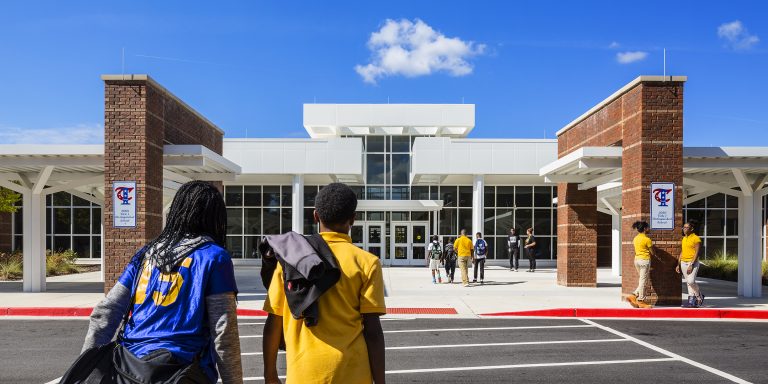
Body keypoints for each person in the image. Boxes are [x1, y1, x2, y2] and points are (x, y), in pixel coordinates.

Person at [81, 181, 242, 383]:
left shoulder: (145, 255)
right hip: (183, 370)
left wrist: (86, 368)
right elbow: (224, 333)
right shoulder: (214, 257)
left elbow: (106, 312)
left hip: (130, 369)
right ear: (215, 218)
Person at [262, 183, 386, 384]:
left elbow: (273, 323)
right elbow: (373, 331)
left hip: (303, 374)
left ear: (315, 216)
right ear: (353, 219)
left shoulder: (291, 260)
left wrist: (270, 375)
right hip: (352, 373)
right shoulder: (367, 262)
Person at [628, 221, 654, 308]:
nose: (649, 229)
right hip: (644, 260)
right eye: (648, 227)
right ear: (645, 229)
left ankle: (633, 295)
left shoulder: (635, 238)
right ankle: (640, 300)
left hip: (637, 260)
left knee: (642, 279)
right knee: (643, 281)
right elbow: (652, 252)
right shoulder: (647, 239)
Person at [678, 220, 704, 308]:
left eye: (686, 228)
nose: (684, 229)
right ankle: (691, 301)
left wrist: (692, 264)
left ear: (691, 229)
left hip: (692, 262)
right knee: (688, 283)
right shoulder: (684, 238)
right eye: (683, 227)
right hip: (683, 262)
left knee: (691, 281)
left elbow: (697, 252)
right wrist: (678, 264)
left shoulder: (696, 238)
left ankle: (698, 295)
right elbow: (682, 251)